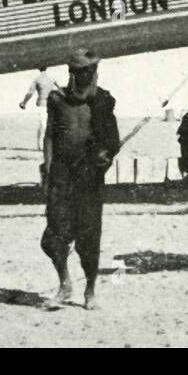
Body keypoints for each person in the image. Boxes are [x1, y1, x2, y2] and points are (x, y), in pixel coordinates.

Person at [41, 48, 120, 311]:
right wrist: (48, 172)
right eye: (80, 71)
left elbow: (113, 140)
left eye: (90, 71)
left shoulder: (103, 101)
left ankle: (90, 291)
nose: (85, 75)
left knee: (88, 238)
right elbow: (50, 136)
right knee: (53, 237)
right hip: (61, 175)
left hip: (89, 176)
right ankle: (65, 285)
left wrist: (105, 156)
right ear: (72, 73)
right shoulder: (57, 99)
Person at [20, 65, 60, 152]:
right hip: (52, 104)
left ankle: (41, 145)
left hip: (42, 104)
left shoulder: (37, 79)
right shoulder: (52, 78)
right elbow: (60, 90)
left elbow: (30, 93)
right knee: (47, 125)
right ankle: (43, 145)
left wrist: (24, 102)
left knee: (43, 125)